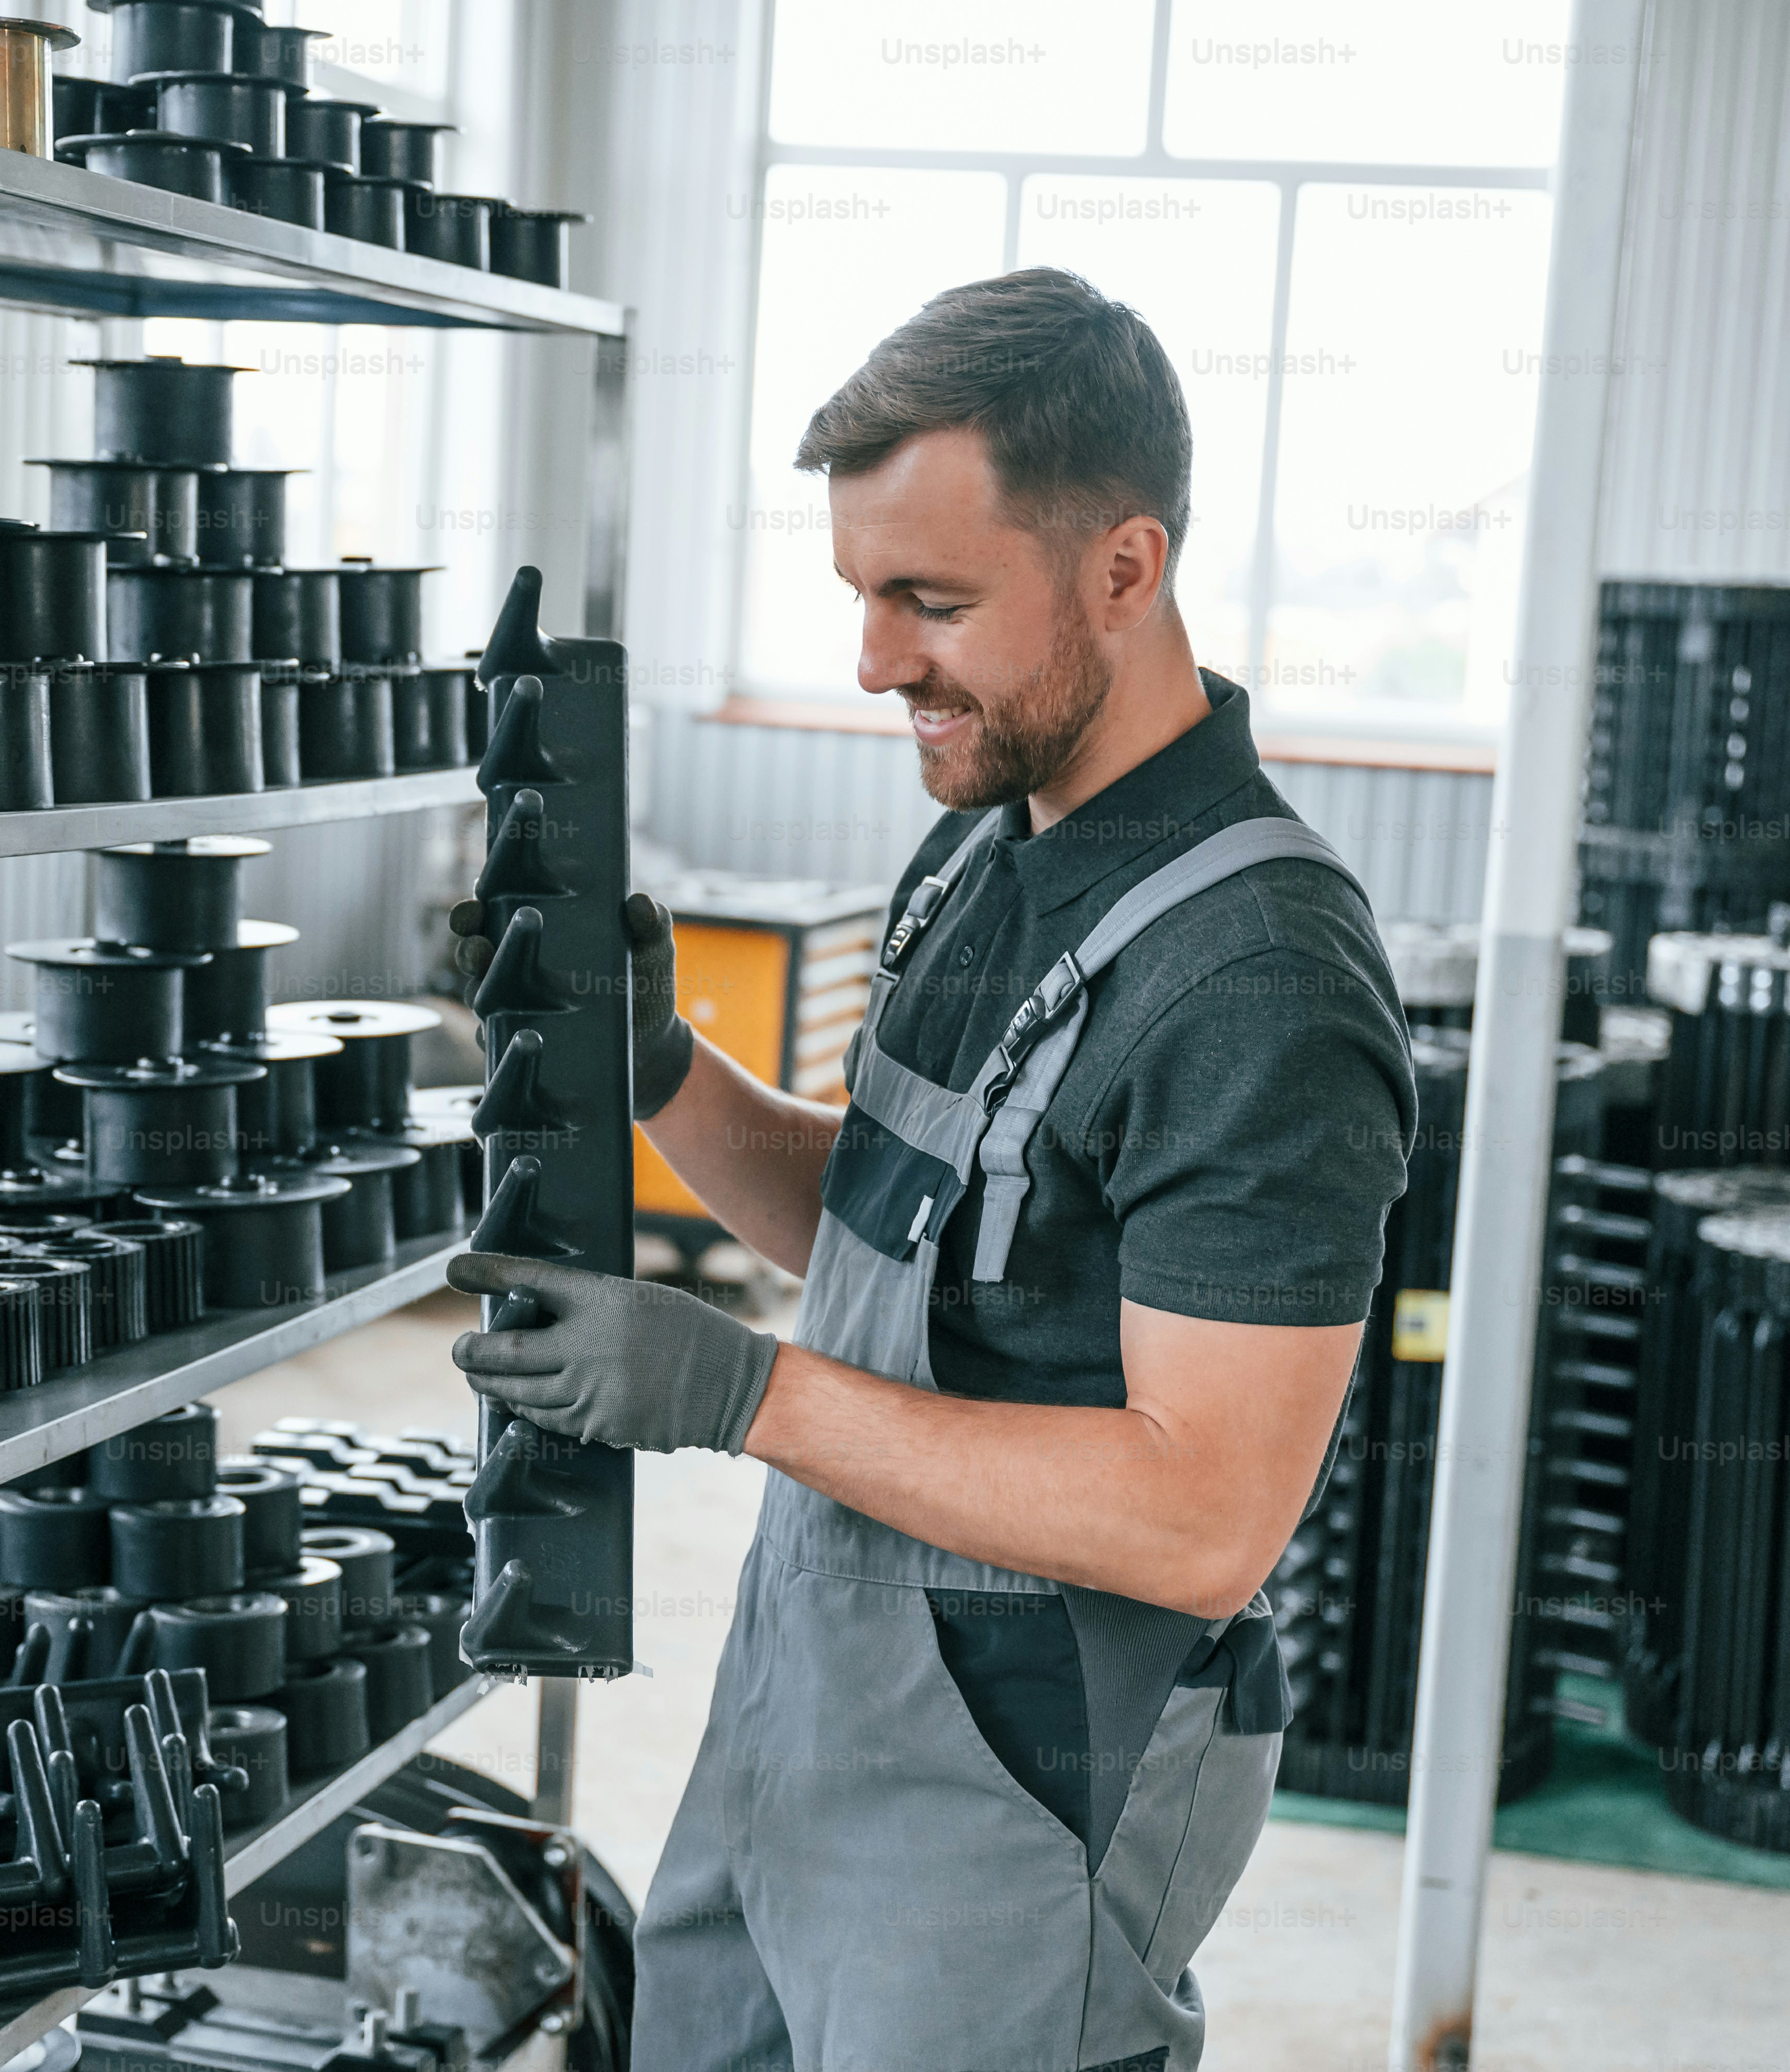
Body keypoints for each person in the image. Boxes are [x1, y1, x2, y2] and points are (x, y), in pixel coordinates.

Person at [444, 267, 1415, 2071]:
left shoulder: (1260, 978)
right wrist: (663, 1071)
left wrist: (737, 1386)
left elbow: (1205, 1514)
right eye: (860, 593)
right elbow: (908, 1238)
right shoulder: (983, 854)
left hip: (1024, 1795)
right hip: (805, 1715)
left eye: (933, 601)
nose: (877, 661)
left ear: (1126, 570)